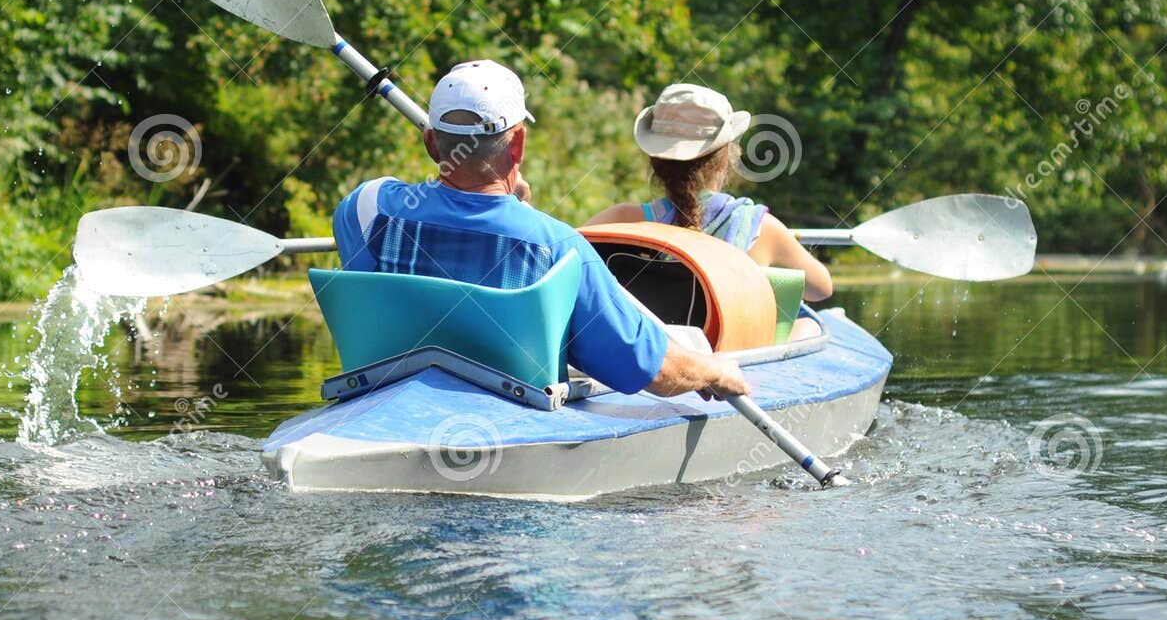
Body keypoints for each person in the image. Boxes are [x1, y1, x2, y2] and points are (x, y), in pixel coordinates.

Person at [331, 60, 749, 399]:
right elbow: (651, 369)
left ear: (429, 144)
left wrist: (501, 197)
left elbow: (418, 204)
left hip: (382, 397)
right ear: (518, 144)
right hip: (506, 413)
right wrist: (713, 370)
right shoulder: (560, 249)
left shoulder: (365, 211)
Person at [583, 83, 832, 337]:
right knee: (810, 325)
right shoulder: (761, 228)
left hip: (647, 352)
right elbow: (822, 289)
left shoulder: (620, 221)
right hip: (728, 356)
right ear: (725, 160)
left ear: (655, 162)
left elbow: (558, 256)